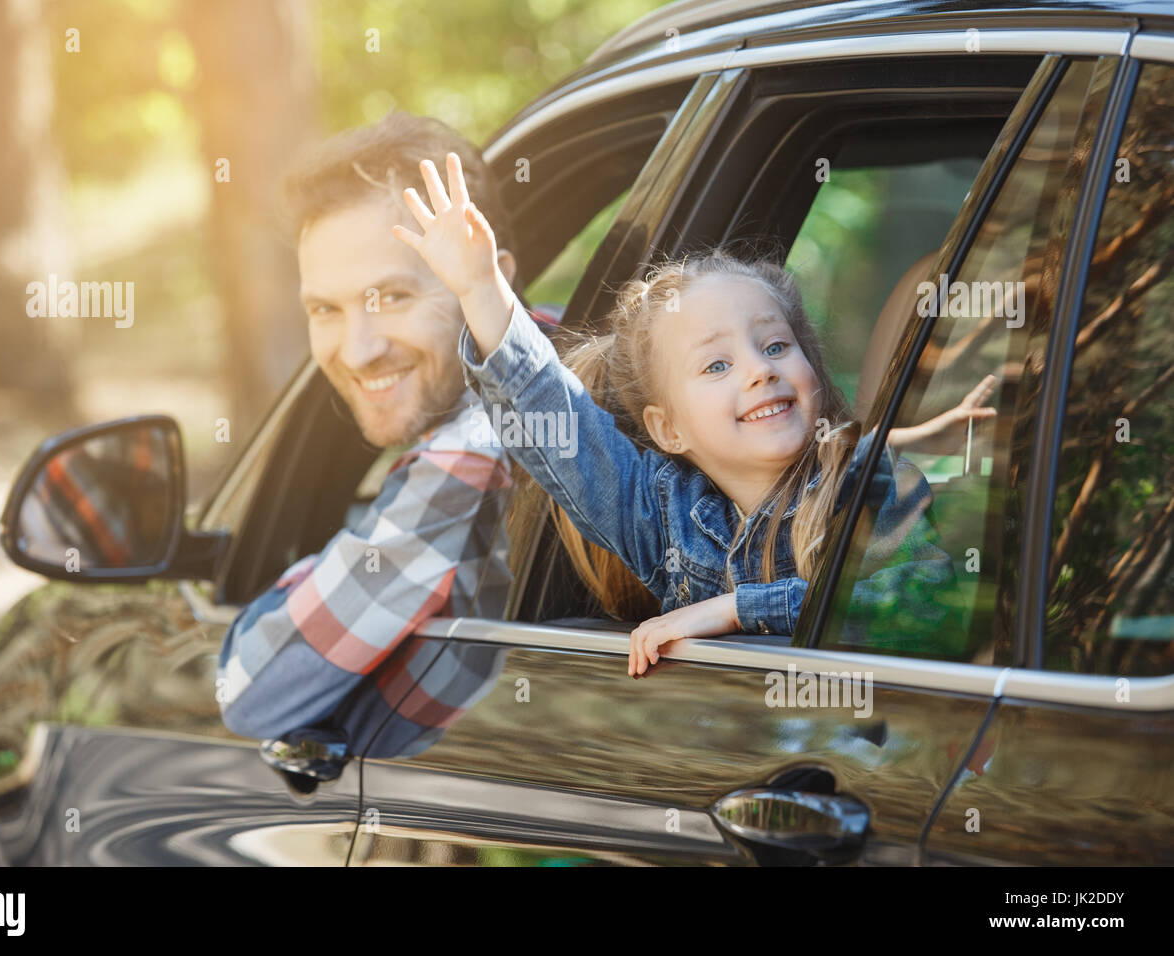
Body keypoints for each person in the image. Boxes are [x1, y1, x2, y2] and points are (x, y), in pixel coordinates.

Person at [395, 152, 964, 678]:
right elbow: (554, 417)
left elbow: (925, 612)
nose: (759, 371)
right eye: (717, 366)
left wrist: (737, 610)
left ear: (810, 365)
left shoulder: (869, 479)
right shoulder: (662, 515)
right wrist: (480, 287)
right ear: (668, 430)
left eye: (774, 346)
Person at [215, 114, 559, 740]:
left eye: (392, 298)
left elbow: (248, 690)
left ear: (492, 279)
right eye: (326, 309)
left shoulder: (476, 447)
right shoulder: (565, 340)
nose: (358, 350)